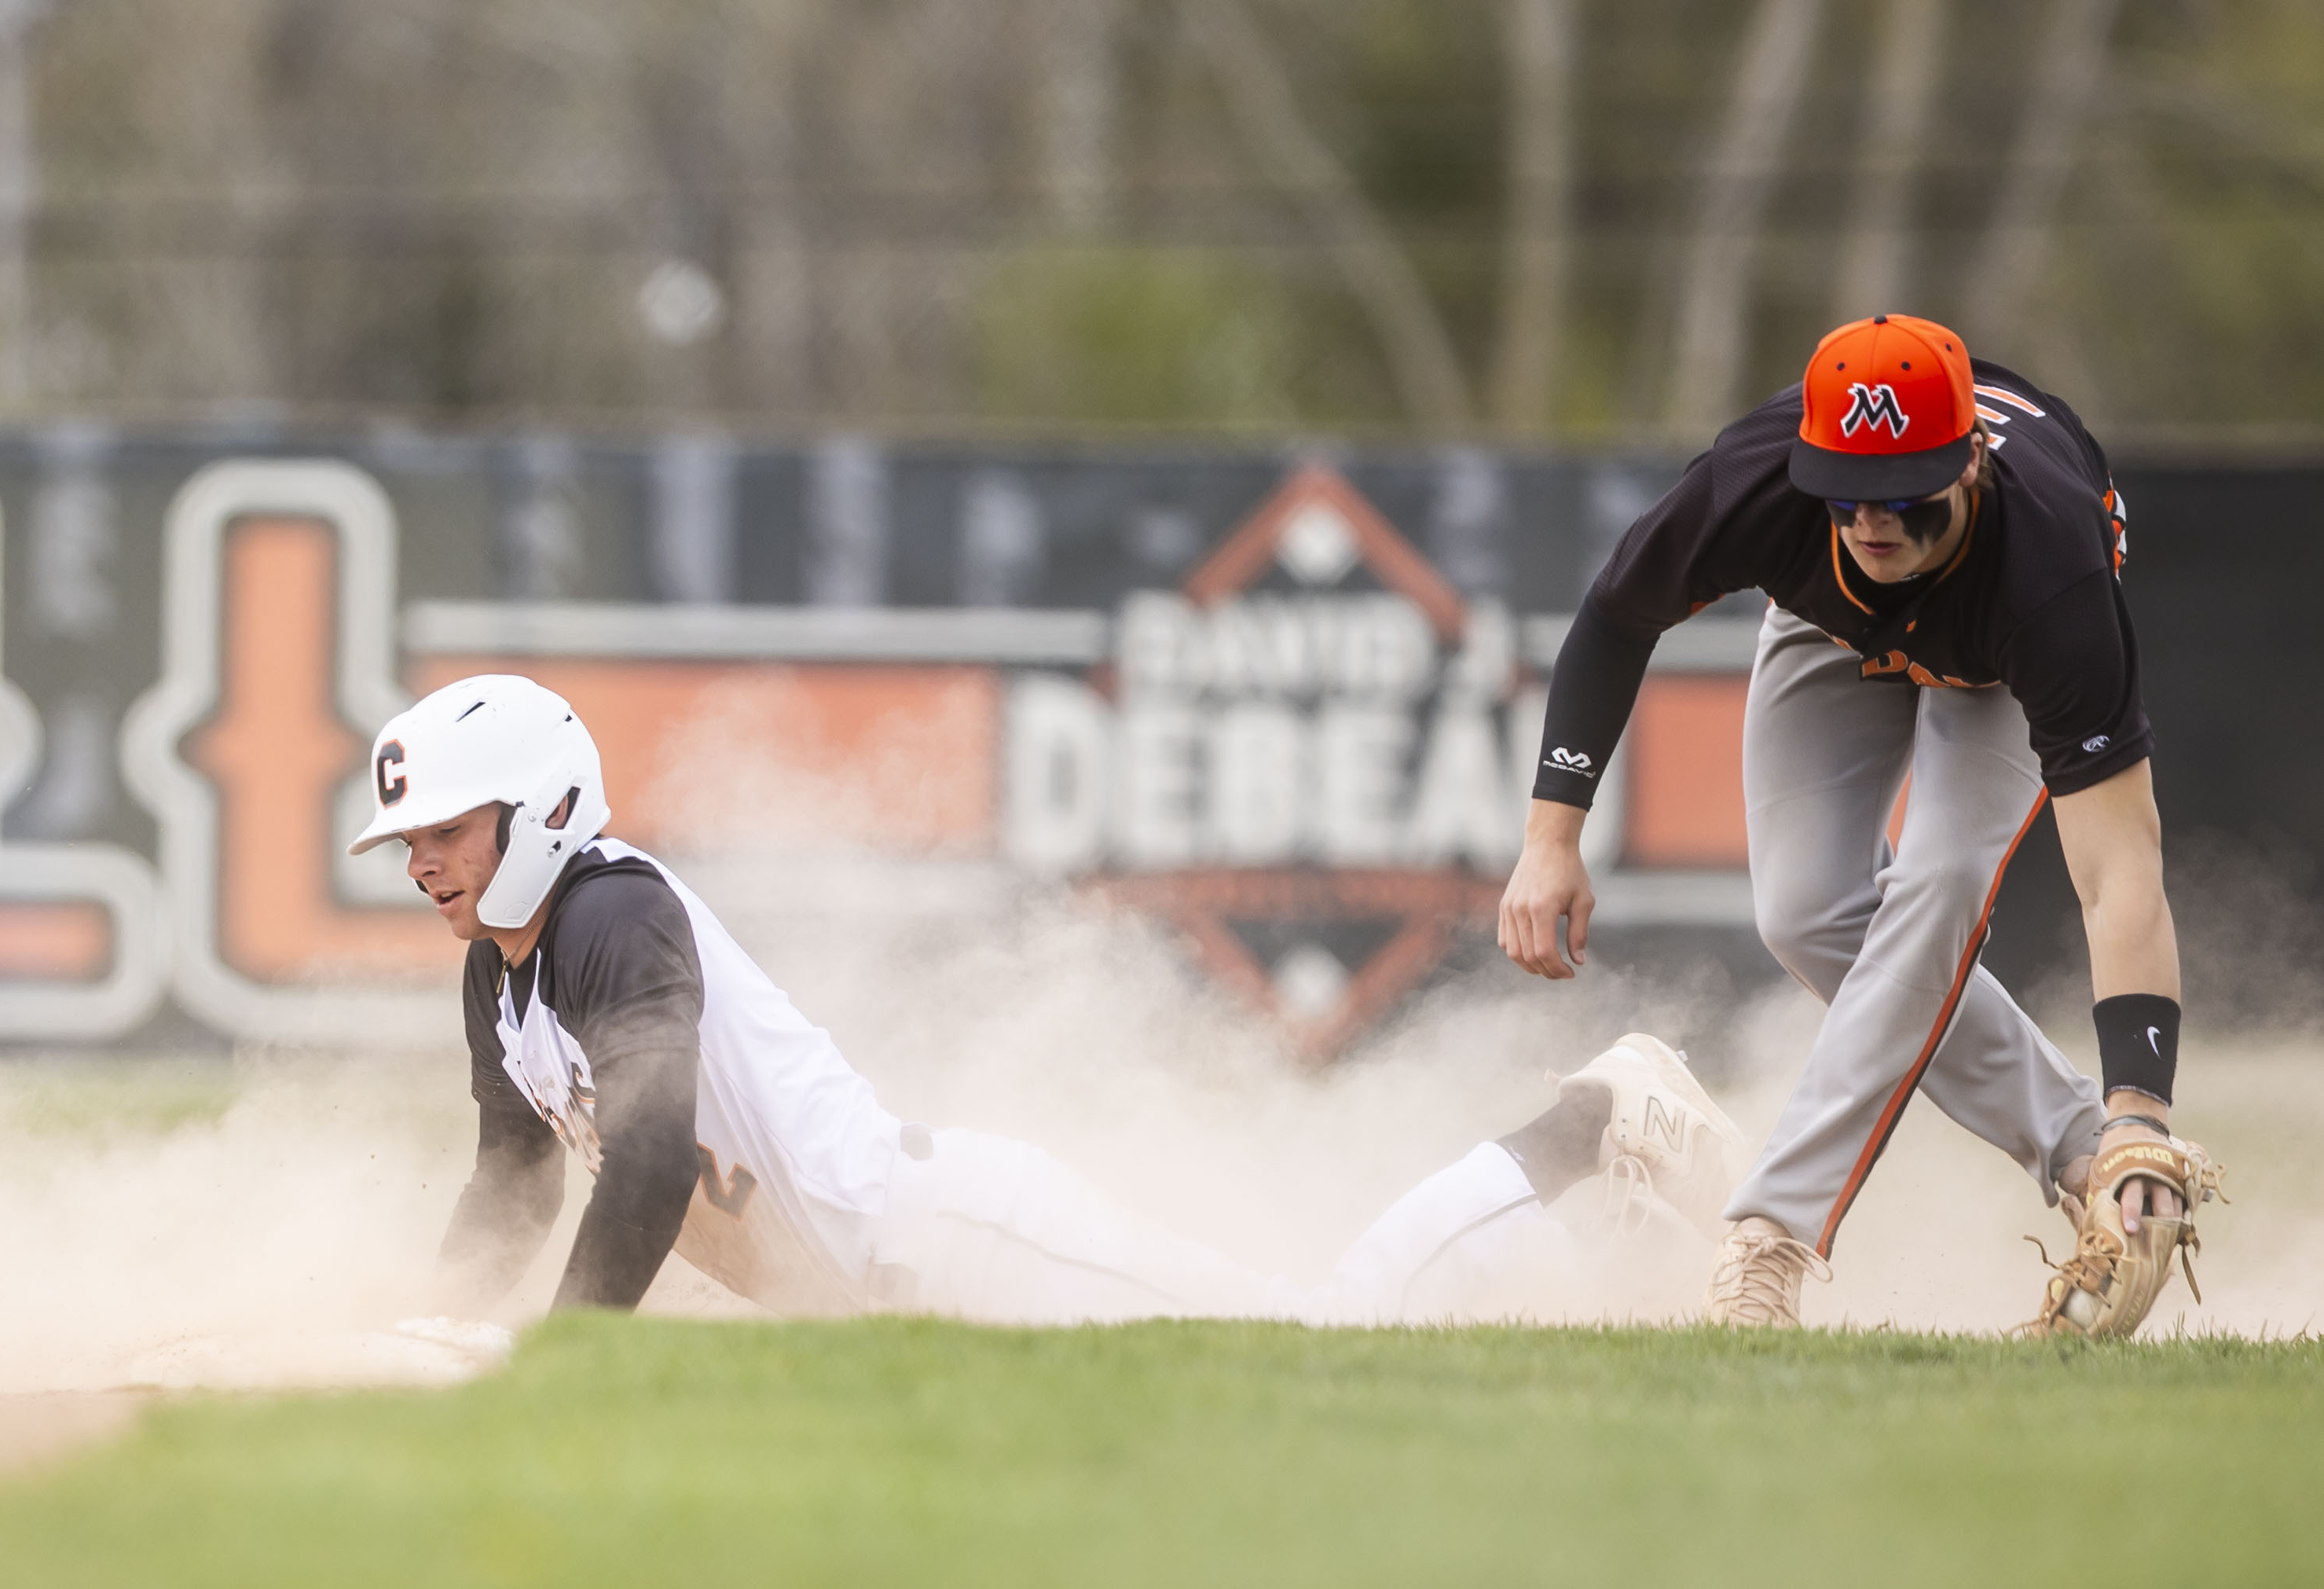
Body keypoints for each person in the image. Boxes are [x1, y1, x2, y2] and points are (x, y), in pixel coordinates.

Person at [353, 673, 1745, 1327]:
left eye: (447, 832)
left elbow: (648, 1155)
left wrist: (566, 1354)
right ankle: (1602, 1233)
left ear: (537, 808)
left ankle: (1594, 1118)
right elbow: (515, 1171)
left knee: (1320, 1332)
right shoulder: (504, 966)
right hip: (884, 1289)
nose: (422, 862)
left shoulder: (612, 910)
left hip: (947, 1240)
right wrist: (429, 1321)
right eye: (410, 845)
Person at [1497, 313, 2194, 1327]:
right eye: (1844, 488)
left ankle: (1767, 1233)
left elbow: (2116, 869)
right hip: (1828, 627)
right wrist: (1550, 834)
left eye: (1900, 490)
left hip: (1990, 655)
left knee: (1940, 881)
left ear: (1966, 466)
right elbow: (1617, 612)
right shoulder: (1763, 481)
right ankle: (2084, 1153)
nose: (1868, 518)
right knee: (1805, 912)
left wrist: (2145, 1103)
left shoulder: (2052, 571)